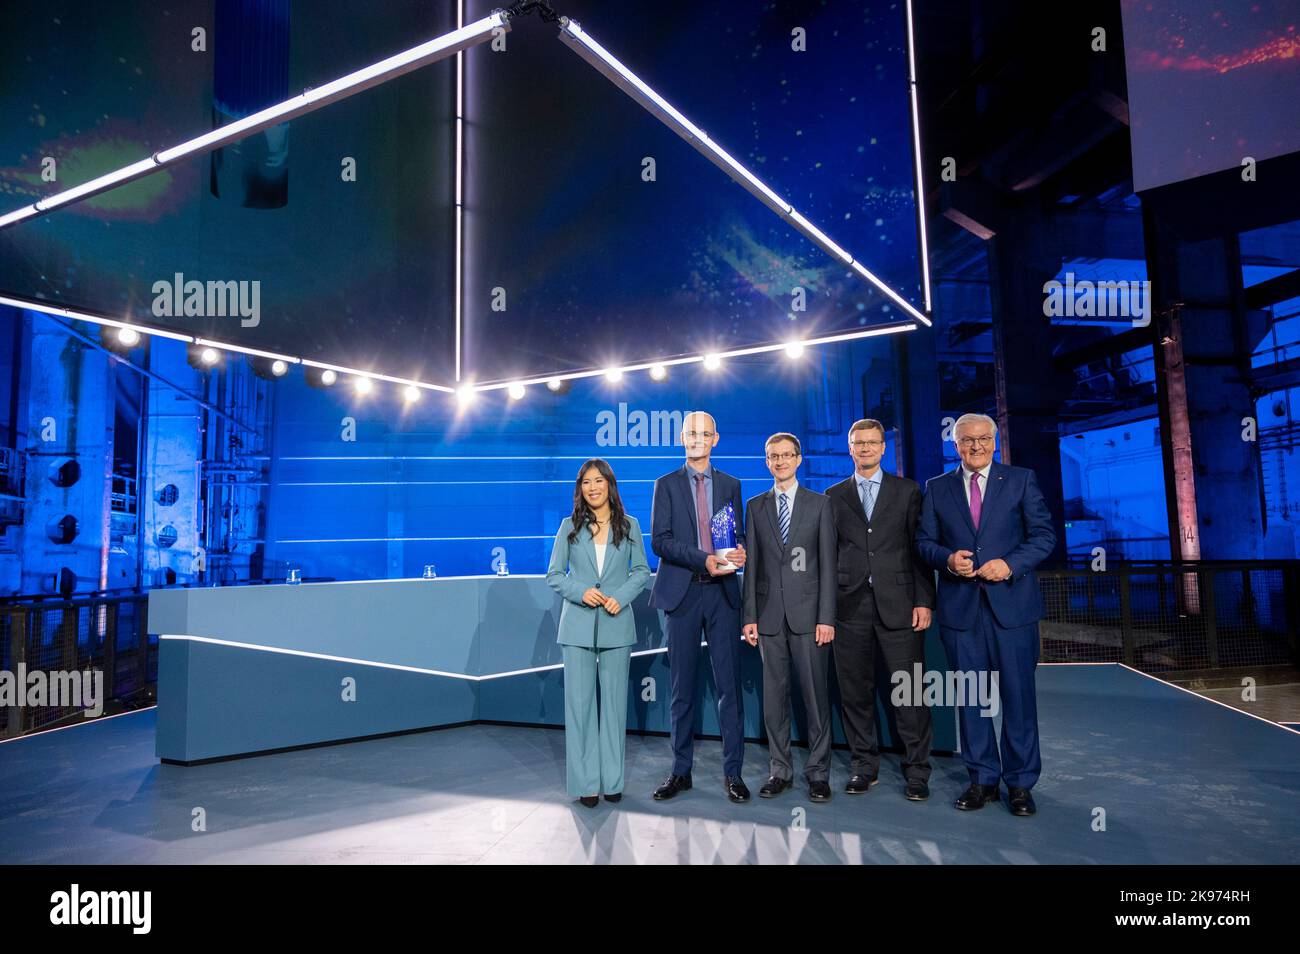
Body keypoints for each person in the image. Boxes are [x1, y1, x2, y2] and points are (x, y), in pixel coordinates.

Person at [915, 413, 1056, 816]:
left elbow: (1044, 536)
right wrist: (947, 559)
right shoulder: (937, 488)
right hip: (961, 611)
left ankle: (1021, 784)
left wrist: (1010, 565)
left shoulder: (1020, 480)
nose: (975, 446)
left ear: (994, 442)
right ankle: (982, 779)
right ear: (955, 444)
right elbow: (923, 542)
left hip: (1012, 608)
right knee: (972, 699)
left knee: (1018, 699)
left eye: (982, 439)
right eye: (967, 440)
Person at [825, 419, 936, 801]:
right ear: (850, 448)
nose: (866, 448)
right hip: (849, 606)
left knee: (910, 693)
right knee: (855, 692)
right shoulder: (833, 495)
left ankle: (917, 771)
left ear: (883, 447)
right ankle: (863, 766)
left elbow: (919, 549)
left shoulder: (908, 491)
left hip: (900, 606)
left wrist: (923, 600)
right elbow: (827, 555)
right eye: (859, 443)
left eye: (872, 442)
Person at [648, 411, 751, 803]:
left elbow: (736, 534)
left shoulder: (730, 485)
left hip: (723, 594)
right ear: (682, 438)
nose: (696, 439)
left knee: (729, 689)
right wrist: (701, 559)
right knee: (682, 689)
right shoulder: (665, 484)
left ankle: (733, 774)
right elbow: (661, 541)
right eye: (691, 433)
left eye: (704, 433)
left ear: (715, 439)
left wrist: (739, 550)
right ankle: (680, 772)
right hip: (683, 593)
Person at [547, 458, 651, 808]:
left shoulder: (630, 525)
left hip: (616, 624)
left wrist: (620, 597)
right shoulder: (568, 527)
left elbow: (641, 571)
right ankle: (586, 785)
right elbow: (554, 575)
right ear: (580, 489)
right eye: (586, 482)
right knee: (579, 709)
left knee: (614, 708)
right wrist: (581, 592)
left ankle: (613, 781)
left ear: (610, 485)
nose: (592, 488)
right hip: (576, 626)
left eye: (598, 481)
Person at [741, 433, 837, 802]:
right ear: (767, 462)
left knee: (815, 698)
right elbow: (753, 568)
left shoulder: (820, 504)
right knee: (774, 700)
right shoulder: (755, 507)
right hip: (768, 618)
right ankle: (779, 770)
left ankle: (818, 773)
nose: (780, 461)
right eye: (773, 456)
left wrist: (826, 617)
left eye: (786, 455)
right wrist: (749, 615)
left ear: (798, 459)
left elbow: (828, 566)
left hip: (810, 618)